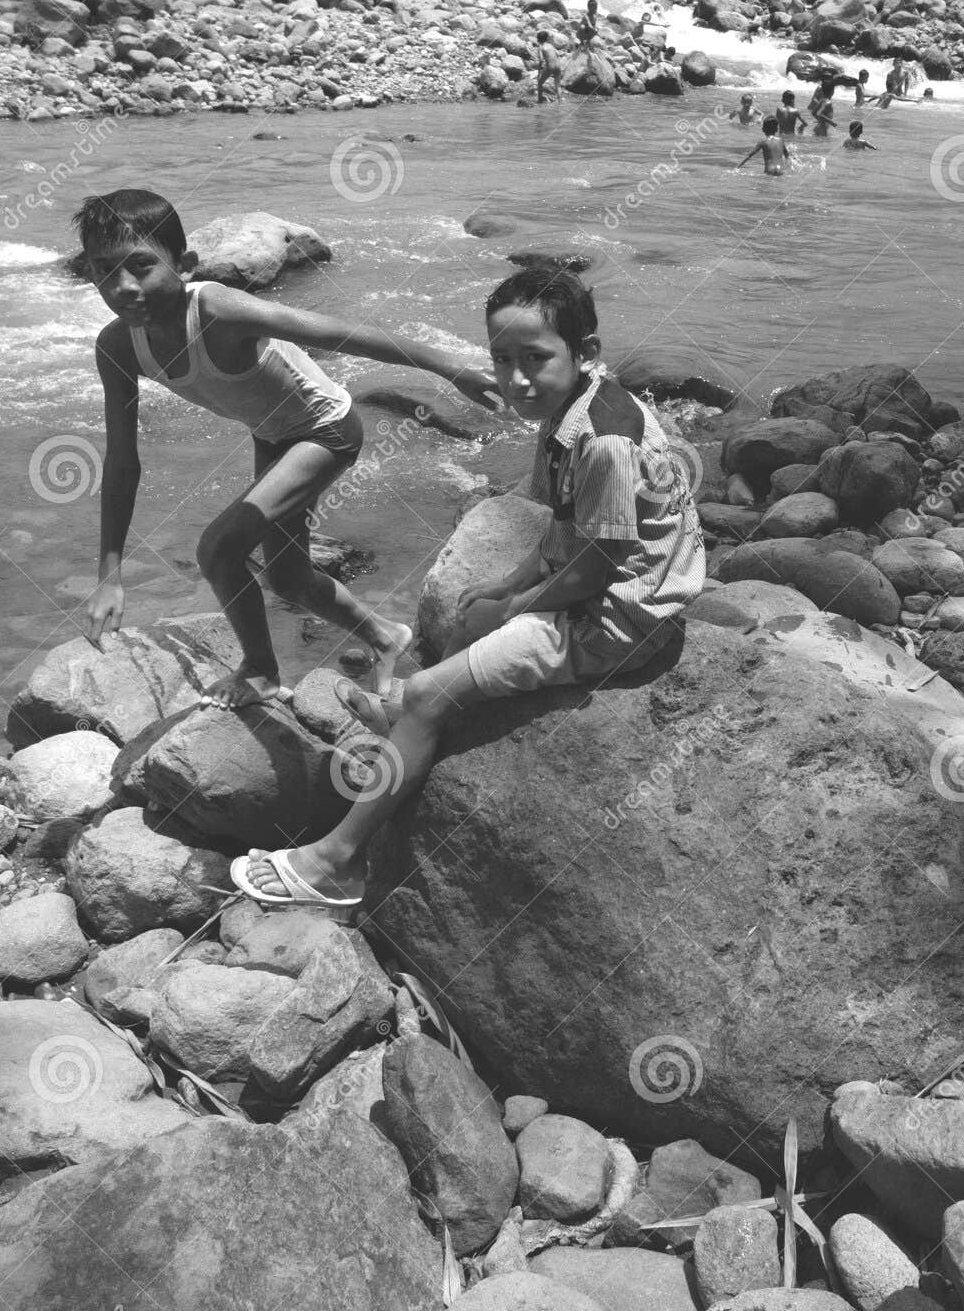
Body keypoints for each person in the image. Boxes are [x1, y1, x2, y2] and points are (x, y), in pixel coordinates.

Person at [230, 266, 706, 909]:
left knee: (431, 693)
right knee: (467, 609)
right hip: (600, 584)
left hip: (619, 620)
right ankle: (402, 713)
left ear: (586, 352)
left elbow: (598, 565)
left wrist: (515, 607)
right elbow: (572, 526)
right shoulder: (573, 407)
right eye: (501, 360)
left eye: (534, 359)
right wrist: (506, 585)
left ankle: (335, 863)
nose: (515, 380)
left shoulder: (604, 441)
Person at [75, 188, 498, 710]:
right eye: (101, 270)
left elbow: (345, 334)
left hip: (326, 429)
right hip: (273, 434)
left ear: (184, 265)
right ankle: (387, 637)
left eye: (140, 266)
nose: (121, 286)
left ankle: (261, 671)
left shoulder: (218, 309)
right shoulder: (117, 346)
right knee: (289, 578)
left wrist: (451, 368)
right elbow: (121, 463)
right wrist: (109, 575)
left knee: (219, 548)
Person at [536, 30, 562, 102]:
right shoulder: (551, 45)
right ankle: (560, 101)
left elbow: (541, 60)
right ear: (546, 38)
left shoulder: (541, 47)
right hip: (558, 65)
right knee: (558, 85)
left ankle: (540, 100)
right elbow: (557, 54)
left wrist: (539, 73)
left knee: (540, 83)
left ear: (538, 39)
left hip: (550, 66)